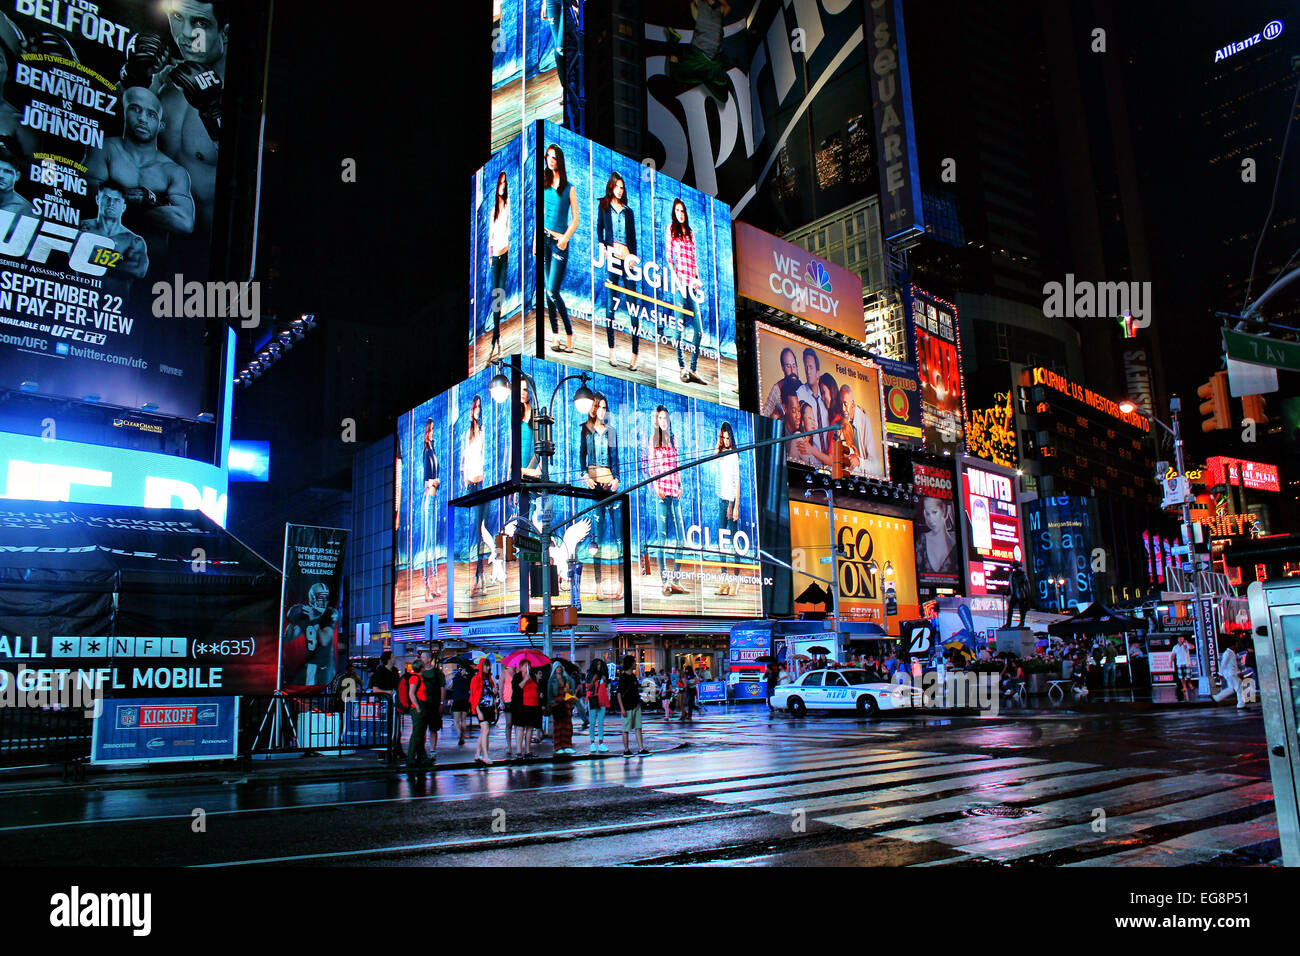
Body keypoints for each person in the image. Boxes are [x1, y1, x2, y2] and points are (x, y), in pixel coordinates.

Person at [84, 85, 195, 267]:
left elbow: (184, 223)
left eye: (151, 114)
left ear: (161, 125)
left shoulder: (173, 171)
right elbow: (86, 194)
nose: (142, 119)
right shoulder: (105, 149)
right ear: (124, 113)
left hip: (152, 265)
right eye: (136, 109)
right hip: (100, 256)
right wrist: (143, 203)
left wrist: (147, 200)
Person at [580, 393, 623, 601]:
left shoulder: (612, 432)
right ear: (593, 408)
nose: (603, 411)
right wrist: (585, 476)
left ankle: (621, 584)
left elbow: (616, 459)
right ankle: (598, 586)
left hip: (610, 484)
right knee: (595, 538)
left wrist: (617, 479)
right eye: (600, 407)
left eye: (605, 407)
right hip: (595, 487)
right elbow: (582, 456)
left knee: (618, 537)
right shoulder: (585, 429)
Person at [537, 143, 579, 353]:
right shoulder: (543, 184)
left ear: (559, 160)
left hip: (558, 243)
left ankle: (569, 333)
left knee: (553, 289)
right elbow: (541, 212)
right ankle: (555, 335)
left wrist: (565, 238)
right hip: (543, 239)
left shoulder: (569, 188)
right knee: (548, 291)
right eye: (548, 156)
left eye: (554, 157)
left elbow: (576, 219)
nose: (550, 160)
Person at [597, 172, 640, 368]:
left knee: (633, 307)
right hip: (612, 258)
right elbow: (600, 229)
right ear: (611, 186)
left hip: (627, 259)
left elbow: (633, 237)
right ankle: (611, 352)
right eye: (617, 187)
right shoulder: (604, 206)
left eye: (622, 188)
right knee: (610, 305)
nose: (620, 191)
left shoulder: (628, 211)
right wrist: (603, 247)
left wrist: (634, 257)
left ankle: (634, 355)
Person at [647, 406, 689, 595]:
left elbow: (676, 464)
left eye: (665, 418)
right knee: (662, 540)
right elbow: (651, 465)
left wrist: (680, 485)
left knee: (681, 540)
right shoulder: (654, 440)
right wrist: (656, 486)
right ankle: (665, 581)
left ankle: (676, 580)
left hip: (674, 491)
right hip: (662, 494)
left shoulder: (673, 439)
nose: (663, 421)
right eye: (660, 418)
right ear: (657, 421)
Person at [665, 197, 706, 383]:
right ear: (674, 213)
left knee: (699, 331)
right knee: (678, 329)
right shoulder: (671, 230)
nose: (680, 214)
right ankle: (682, 367)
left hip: (692, 286)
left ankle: (693, 368)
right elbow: (669, 258)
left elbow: (694, 260)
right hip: (680, 285)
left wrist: (697, 279)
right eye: (677, 211)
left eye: (682, 211)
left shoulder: (690, 232)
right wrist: (677, 280)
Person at [664, 0, 733, 104]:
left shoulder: (718, 12)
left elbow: (727, 6)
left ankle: (703, 77)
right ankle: (673, 41)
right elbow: (693, 3)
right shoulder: (700, 8)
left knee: (724, 97)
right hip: (701, 57)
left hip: (714, 64)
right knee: (674, 74)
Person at [463, 395, 490, 598]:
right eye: (475, 407)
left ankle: (478, 579)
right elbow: (467, 458)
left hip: (482, 484)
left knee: (482, 531)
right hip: (471, 485)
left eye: (480, 407)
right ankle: (476, 579)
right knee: (475, 532)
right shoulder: (468, 434)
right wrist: (465, 479)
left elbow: (483, 457)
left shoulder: (482, 432)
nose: (478, 410)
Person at [714, 422, 741, 597]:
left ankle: (736, 581)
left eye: (727, 437)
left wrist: (735, 505)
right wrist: (718, 445)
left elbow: (737, 483)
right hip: (721, 500)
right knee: (721, 543)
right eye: (722, 437)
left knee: (734, 543)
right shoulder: (722, 454)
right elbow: (713, 457)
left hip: (731, 501)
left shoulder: (734, 456)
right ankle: (724, 581)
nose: (725, 440)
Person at [487, 171, 510, 361]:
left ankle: (496, 340)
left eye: (505, 182)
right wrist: (489, 254)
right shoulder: (493, 210)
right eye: (500, 183)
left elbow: (508, 230)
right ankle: (497, 340)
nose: (502, 185)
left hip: (505, 255)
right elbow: (490, 236)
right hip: (495, 258)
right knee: (496, 299)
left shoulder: (508, 206)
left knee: (500, 299)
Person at [368, 651, 404, 760]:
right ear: (388, 659)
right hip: (384, 704)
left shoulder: (394, 671)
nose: (395, 659)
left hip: (393, 703)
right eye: (393, 657)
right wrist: (389, 693)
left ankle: (396, 748)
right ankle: (383, 750)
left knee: (396, 726)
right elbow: (375, 689)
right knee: (384, 727)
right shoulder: (380, 672)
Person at [421, 418, 442, 599]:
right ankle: (427, 585)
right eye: (430, 430)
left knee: (433, 542)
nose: (432, 433)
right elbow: (425, 480)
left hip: (435, 499)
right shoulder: (426, 451)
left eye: (433, 430)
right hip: (428, 498)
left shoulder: (433, 449)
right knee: (428, 543)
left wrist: (437, 481)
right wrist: (432, 482)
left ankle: (434, 584)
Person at [915, 495, 958, 577]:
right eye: (927, 513)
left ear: (945, 511)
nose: (930, 519)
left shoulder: (958, 542)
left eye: (934, 512)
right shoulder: (921, 541)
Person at [617, 655, 647, 755]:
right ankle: (626, 750)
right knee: (626, 729)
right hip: (627, 706)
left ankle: (641, 748)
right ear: (630, 664)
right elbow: (619, 693)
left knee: (638, 727)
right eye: (634, 662)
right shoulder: (623, 677)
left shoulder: (633, 676)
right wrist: (622, 708)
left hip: (636, 705)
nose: (635, 664)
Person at [470, 659, 497, 766]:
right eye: (486, 666)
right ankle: (485, 755)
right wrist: (477, 710)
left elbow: (492, 693)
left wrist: (495, 692)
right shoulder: (476, 679)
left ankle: (478, 754)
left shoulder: (489, 679)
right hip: (481, 707)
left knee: (484, 731)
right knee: (485, 730)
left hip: (489, 707)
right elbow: (473, 696)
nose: (488, 668)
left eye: (489, 666)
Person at [761, 348, 802, 419]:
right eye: (788, 366)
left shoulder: (803, 388)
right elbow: (765, 415)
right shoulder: (777, 389)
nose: (792, 370)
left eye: (794, 365)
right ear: (783, 368)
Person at [405, 659, 432, 766]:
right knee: (417, 734)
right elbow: (411, 693)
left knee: (420, 733)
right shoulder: (415, 678)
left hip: (420, 707)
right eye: (424, 666)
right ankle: (411, 757)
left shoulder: (417, 678)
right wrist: (417, 707)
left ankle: (421, 756)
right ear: (421, 668)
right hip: (418, 707)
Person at [512, 661, 541, 759]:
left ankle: (528, 750)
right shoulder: (517, 677)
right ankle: (519, 751)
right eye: (525, 666)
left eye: (529, 665)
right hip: (521, 706)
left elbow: (536, 687)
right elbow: (517, 688)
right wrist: (525, 679)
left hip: (533, 705)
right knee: (520, 728)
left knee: (530, 728)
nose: (528, 667)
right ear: (520, 667)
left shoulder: (532, 676)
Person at [549, 661, 576, 755]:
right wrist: (552, 703)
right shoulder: (552, 680)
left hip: (566, 703)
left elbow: (572, 690)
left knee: (567, 726)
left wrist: (569, 690)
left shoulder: (566, 679)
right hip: (557, 704)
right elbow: (550, 693)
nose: (559, 669)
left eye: (560, 667)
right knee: (558, 726)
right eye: (557, 668)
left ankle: (567, 745)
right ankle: (558, 746)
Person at [1214, 637, 1248, 709]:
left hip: (1232, 673)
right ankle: (1241, 705)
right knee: (1239, 688)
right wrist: (1220, 673)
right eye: (1236, 644)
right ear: (1232, 645)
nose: (1237, 645)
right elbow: (1223, 664)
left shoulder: (1231, 653)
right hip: (1231, 674)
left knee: (1231, 689)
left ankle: (1216, 698)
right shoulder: (1228, 653)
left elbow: (1233, 664)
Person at [587, 659, 611, 753]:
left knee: (601, 722)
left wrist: (605, 681)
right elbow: (588, 688)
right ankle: (592, 743)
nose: (599, 666)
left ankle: (601, 743)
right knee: (592, 722)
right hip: (593, 700)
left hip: (602, 700)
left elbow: (606, 687)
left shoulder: (604, 676)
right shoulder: (590, 676)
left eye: (600, 664)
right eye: (597, 664)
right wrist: (593, 680)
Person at [450, 662, 472, 745]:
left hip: (457, 699)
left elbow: (450, 687)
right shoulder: (468, 679)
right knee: (463, 720)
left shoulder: (455, 678)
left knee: (456, 721)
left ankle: (459, 735)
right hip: (465, 700)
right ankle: (462, 737)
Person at [1172, 633, 1194, 702]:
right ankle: (1184, 686)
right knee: (1181, 676)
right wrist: (1171, 662)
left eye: (1182, 639)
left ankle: (1189, 683)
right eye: (1179, 639)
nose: (1181, 640)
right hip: (1179, 663)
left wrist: (1187, 643)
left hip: (1186, 662)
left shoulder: (1186, 645)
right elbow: (1173, 654)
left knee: (1188, 676)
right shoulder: (1175, 647)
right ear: (1178, 640)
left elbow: (1193, 647)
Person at [501, 665, 516, 758]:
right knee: (509, 723)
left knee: (516, 724)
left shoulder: (516, 674)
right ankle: (509, 745)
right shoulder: (504, 673)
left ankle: (515, 745)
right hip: (507, 701)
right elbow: (500, 688)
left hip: (516, 701)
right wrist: (501, 701)